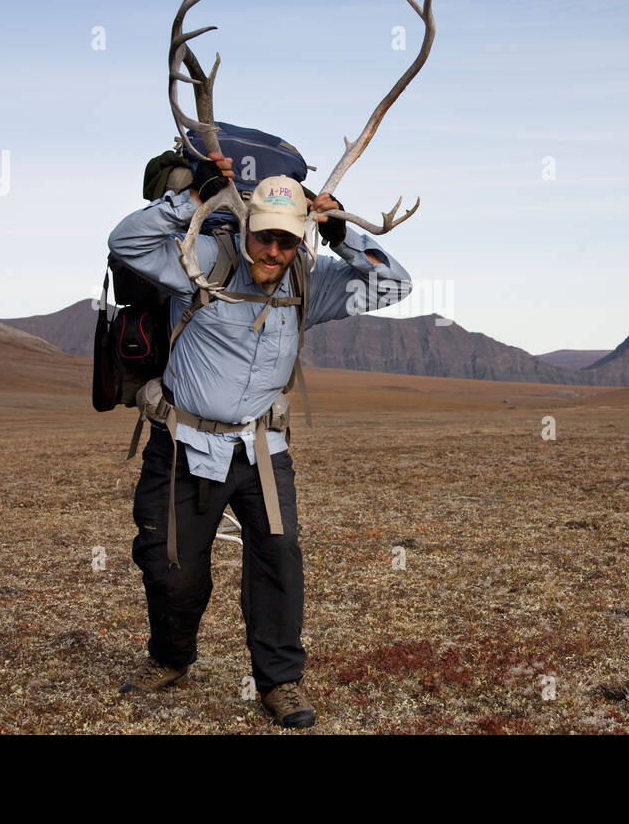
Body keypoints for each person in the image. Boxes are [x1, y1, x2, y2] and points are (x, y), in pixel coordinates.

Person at [106, 150, 411, 728]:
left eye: (287, 241)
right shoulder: (203, 260)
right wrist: (193, 196)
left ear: (301, 240)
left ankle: (280, 682)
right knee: (170, 567)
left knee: (277, 561)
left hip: (261, 452)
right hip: (183, 447)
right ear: (246, 227)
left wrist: (344, 235)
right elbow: (126, 244)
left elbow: (394, 285)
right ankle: (171, 659)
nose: (273, 251)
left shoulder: (309, 283)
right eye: (265, 237)